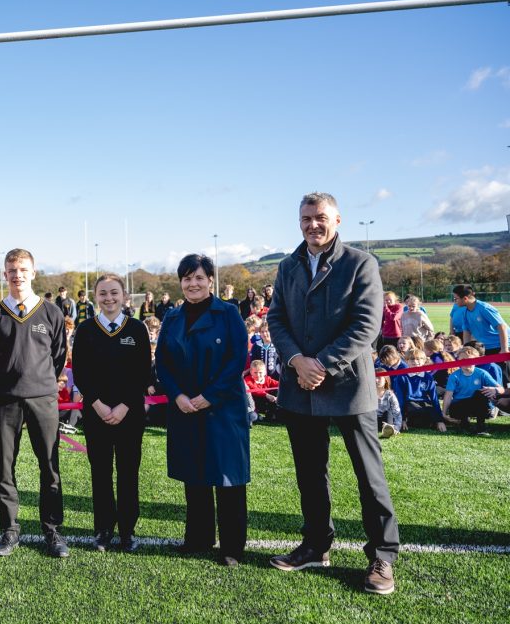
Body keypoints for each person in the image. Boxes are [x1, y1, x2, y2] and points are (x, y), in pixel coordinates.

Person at [266, 191, 399, 595]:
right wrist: (296, 362)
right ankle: (316, 545)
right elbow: (277, 319)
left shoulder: (360, 263)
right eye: (305, 218)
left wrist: (321, 363)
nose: (312, 225)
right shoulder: (288, 266)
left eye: (320, 217)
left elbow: (365, 325)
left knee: (368, 475)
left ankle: (383, 554)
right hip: (299, 386)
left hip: (348, 386)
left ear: (338, 220)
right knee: (310, 473)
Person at [155, 254, 249, 566]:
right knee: (193, 474)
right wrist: (177, 394)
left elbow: (238, 360)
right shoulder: (171, 317)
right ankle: (198, 538)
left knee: (228, 477)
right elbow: (163, 363)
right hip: (184, 407)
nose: (192, 284)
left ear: (210, 280)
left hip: (222, 409)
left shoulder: (229, 313)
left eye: (199, 278)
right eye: (187, 278)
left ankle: (232, 547)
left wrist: (210, 395)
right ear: (180, 282)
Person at [0, 248, 68, 558]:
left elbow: (58, 356)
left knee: (49, 466)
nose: (17, 274)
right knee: (5, 468)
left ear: (33, 272)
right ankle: (9, 530)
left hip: (43, 399)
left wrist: (42, 381)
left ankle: (53, 530)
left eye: (22, 269)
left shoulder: (51, 312)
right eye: (11, 270)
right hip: (6, 400)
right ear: (5, 274)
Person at [72, 273, 150, 553]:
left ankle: (128, 530)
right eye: (103, 293)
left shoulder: (138, 329)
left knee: (129, 473)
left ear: (124, 296)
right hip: (97, 414)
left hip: (130, 415)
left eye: (114, 293)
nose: (109, 298)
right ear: (96, 297)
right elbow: (80, 371)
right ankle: (103, 529)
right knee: (101, 474)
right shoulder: (85, 329)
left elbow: (143, 373)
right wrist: (97, 403)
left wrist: (125, 405)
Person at [453, 284, 509, 382]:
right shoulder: (466, 311)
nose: (455, 301)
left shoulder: (484, 308)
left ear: (465, 298)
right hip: (484, 348)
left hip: (498, 346)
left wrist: (504, 349)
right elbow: (466, 331)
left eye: (456, 298)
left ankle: (504, 394)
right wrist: (466, 348)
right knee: (488, 375)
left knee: (502, 375)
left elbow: (501, 326)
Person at [443, 346, 504, 436]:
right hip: (459, 406)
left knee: (480, 393)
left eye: (469, 359)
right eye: (463, 359)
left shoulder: (481, 373)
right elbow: (448, 395)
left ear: (476, 360)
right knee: (462, 407)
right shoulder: (454, 376)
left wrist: (495, 390)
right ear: (458, 360)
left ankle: (481, 427)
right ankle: (464, 423)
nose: (466, 361)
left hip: (477, 405)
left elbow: (501, 389)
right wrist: (444, 413)